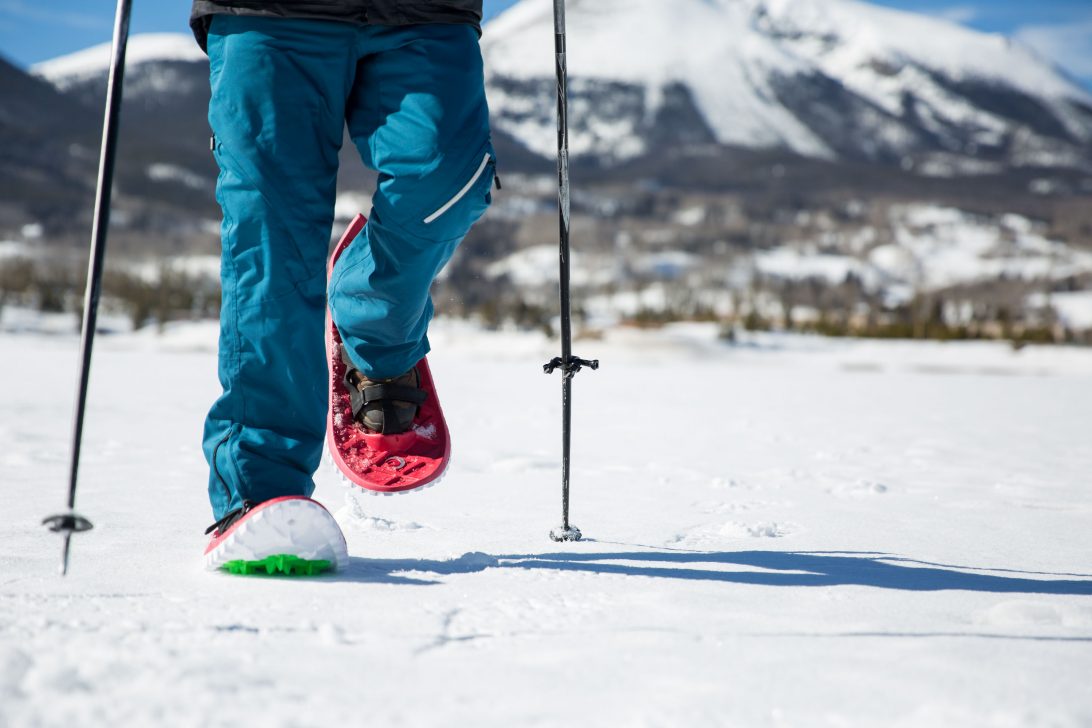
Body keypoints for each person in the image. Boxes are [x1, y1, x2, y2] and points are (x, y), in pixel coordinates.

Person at [190, 0, 496, 575]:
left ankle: (371, 323)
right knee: (269, 237)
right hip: (267, 12)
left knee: (450, 180)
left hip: (427, 10)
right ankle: (260, 491)